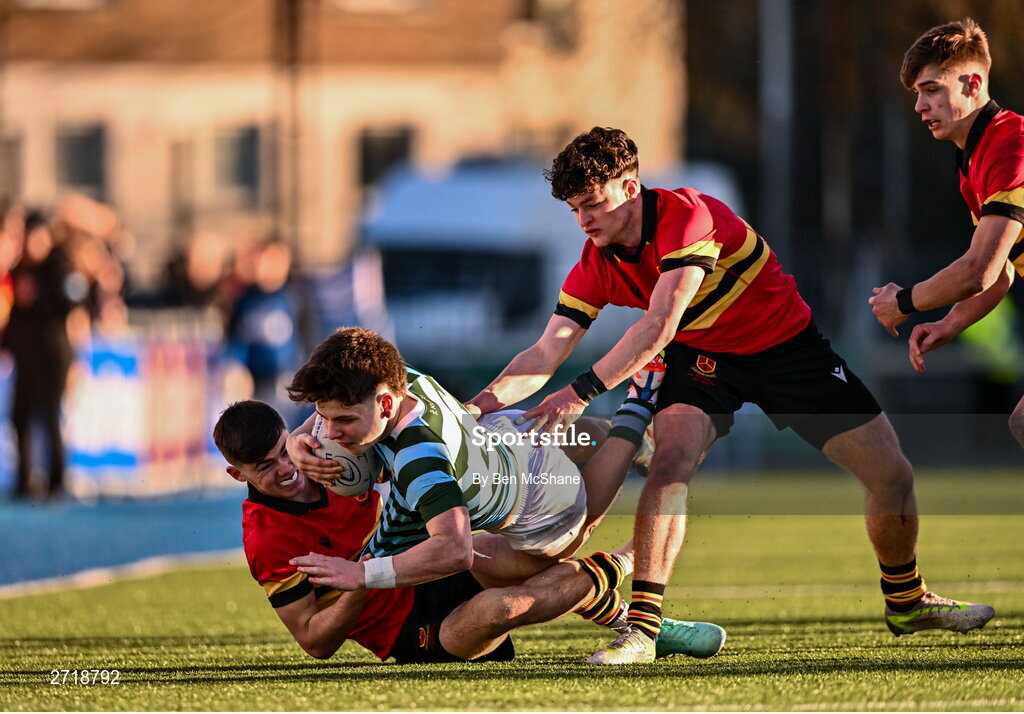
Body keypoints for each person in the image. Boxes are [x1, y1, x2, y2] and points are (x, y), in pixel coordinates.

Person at [466, 126, 995, 664]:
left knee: (893, 475)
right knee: (671, 462)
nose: (584, 221)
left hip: (788, 350)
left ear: (630, 187)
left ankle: (906, 600)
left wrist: (580, 391)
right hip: (704, 363)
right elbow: (543, 354)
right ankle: (644, 632)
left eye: (593, 204)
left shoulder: (690, 217)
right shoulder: (596, 258)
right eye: (575, 210)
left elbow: (660, 323)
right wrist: (472, 409)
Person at [213, 400, 725, 663]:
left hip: (434, 557)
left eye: (286, 448)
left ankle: (644, 442)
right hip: (405, 628)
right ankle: (632, 567)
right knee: (500, 608)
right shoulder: (266, 539)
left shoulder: (328, 443)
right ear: (238, 475)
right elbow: (314, 642)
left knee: (544, 454)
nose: (288, 468)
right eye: (266, 467)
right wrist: (361, 578)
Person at [284, 327, 656, 592]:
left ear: (384, 405)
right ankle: (635, 438)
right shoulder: (396, 376)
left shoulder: (421, 462)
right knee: (570, 432)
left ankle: (634, 416)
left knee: (520, 572)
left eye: (344, 420)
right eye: (324, 417)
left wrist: (362, 575)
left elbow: (454, 550)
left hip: (537, 506)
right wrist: (296, 441)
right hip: (498, 436)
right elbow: (330, 410)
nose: (330, 432)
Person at [870, 18, 1024, 448]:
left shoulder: (1010, 145)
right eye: (917, 93)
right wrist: (950, 323)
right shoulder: (975, 158)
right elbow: (1001, 272)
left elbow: (979, 268)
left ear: (973, 83)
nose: (920, 106)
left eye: (932, 89)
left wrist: (905, 301)